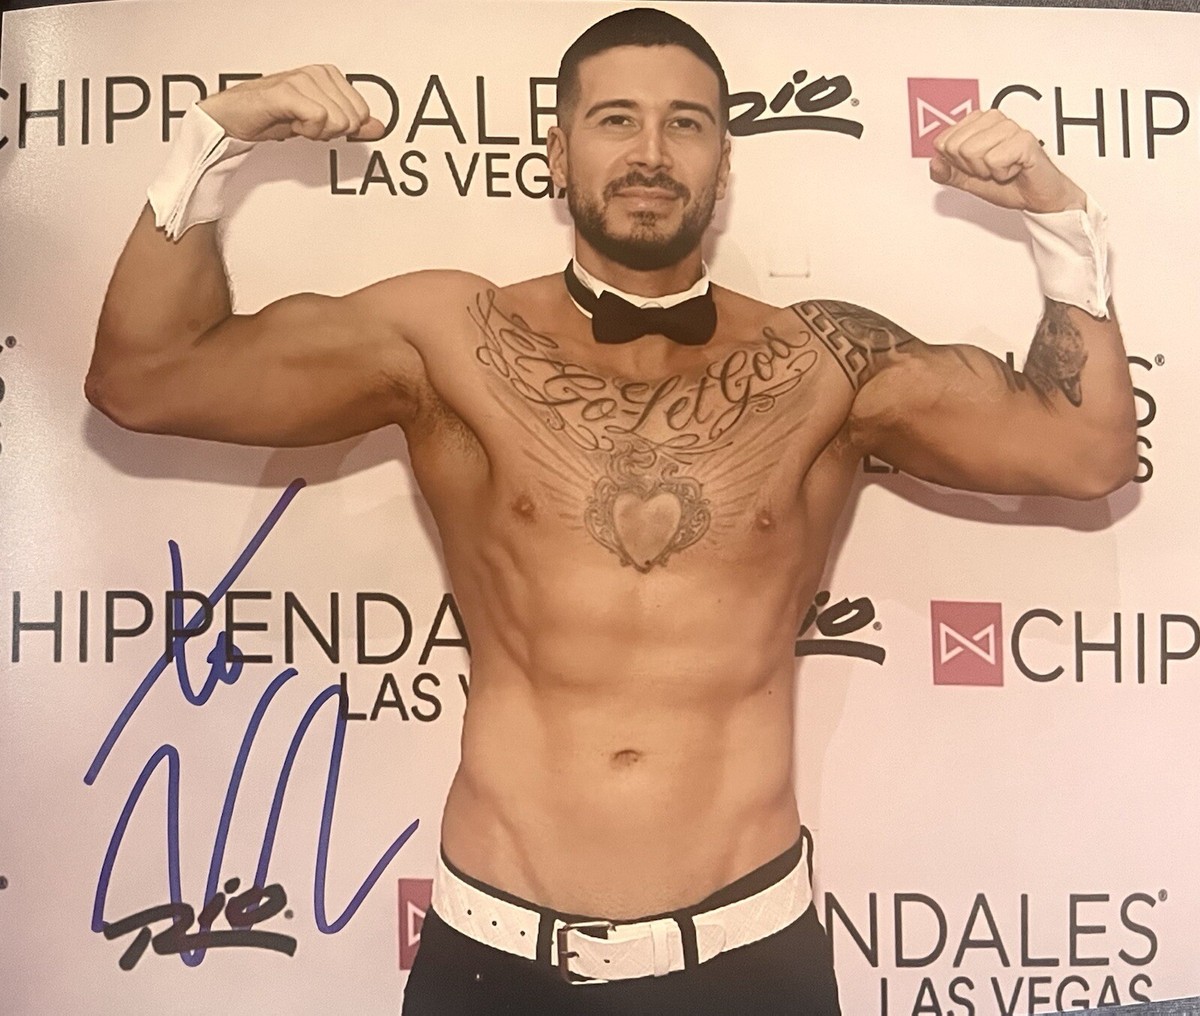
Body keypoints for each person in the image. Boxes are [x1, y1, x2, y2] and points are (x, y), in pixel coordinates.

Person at [85, 7, 1137, 1014]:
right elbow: (150, 377)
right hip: (495, 960)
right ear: (556, 154)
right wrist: (212, 143)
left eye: (687, 124)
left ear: (724, 165)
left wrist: (1057, 219)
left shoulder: (824, 360)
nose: (651, 152)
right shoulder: (450, 336)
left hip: (751, 960)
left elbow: (1083, 450)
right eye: (616, 119)